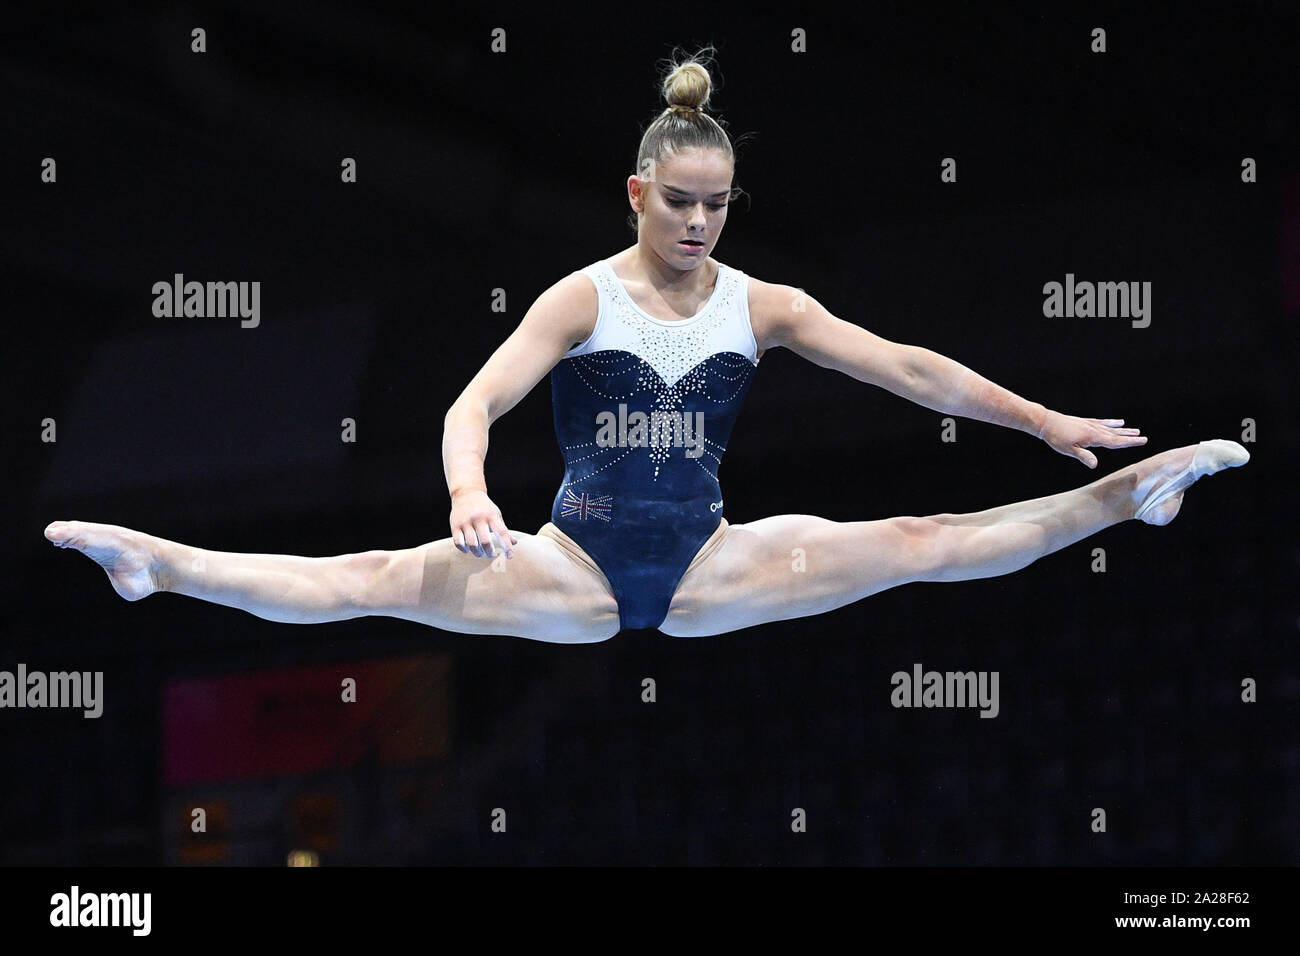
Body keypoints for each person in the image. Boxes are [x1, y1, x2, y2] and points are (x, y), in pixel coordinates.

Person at [44, 52, 1249, 644]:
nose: (697, 221)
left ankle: (1121, 496)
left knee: (922, 541)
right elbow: (474, 403)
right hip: (567, 566)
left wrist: (1045, 423)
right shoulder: (581, 299)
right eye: (678, 199)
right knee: (364, 578)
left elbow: (910, 366)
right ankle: (161, 560)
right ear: (636, 191)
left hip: (713, 564)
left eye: (716, 203)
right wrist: (468, 493)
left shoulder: (760, 306)